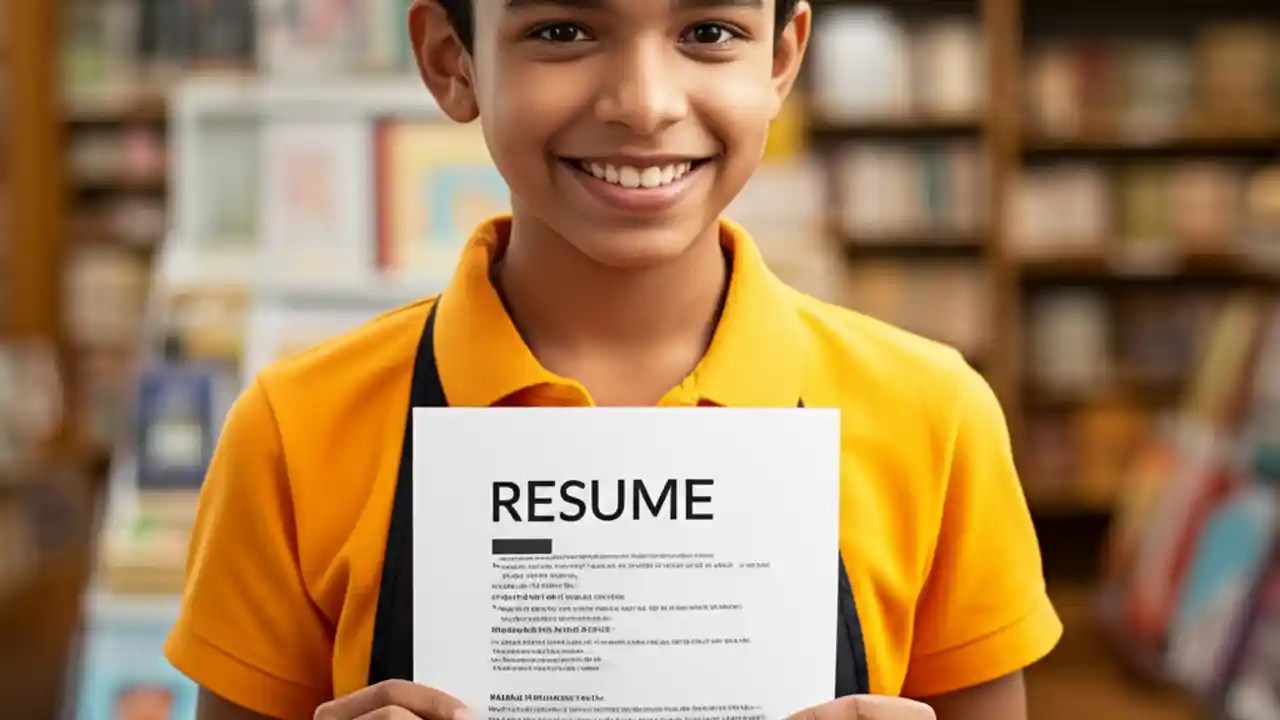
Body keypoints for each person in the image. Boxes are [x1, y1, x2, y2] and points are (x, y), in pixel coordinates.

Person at [164, 1, 1063, 718]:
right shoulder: (294, 430)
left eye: (709, 33)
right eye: (562, 31)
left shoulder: (935, 418)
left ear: (782, 58)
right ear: (452, 59)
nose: (644, 101)